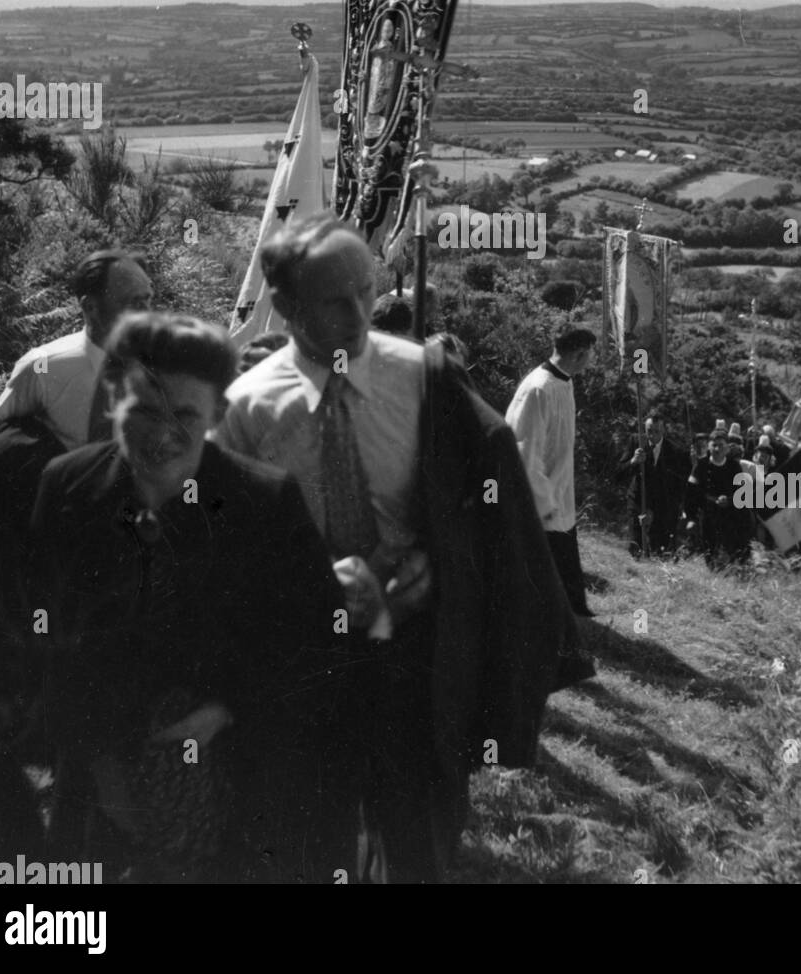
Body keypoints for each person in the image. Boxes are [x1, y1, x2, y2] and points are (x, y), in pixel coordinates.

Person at [213, 214, 590, 883]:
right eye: (335, 299)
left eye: (367, 290)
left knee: (419, 837)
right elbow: (225, 554)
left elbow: (493, 513)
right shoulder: (246, 411)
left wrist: (443, 571)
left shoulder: (428, 382)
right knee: (311, 837)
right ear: (287, 305)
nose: (361, 312)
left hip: (417, 658)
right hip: (305, 665)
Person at [27, 311, 346, 882]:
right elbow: (42, 626)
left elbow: (318, 639)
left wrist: (226, 709)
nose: (162, 432)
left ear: (219, 414)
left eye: (186, 415)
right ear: (109, 397)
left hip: (230, 783)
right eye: (144, 411)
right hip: (95, 777)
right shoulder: (66, 485)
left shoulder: (265, 504)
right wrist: (95, 752)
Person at [0, 249, 154, 452]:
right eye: (134, 303)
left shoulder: (171, 366)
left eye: (147, 299)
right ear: (90, 307)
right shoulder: (44, 366)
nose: (147, 313)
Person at [505, 326, 599, 615]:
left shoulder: (564, 382)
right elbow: (524, 448)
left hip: (558, 490)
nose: (591, 360)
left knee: (564, 561)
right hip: (539, 498)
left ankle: (573, 615)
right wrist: (542, 499)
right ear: (578, 354)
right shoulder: (538, 388)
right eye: (590, 353)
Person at [620, 410, 690, 557]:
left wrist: (655, 512)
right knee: (635, 548)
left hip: (662, 508)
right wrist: (633, 461)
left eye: (656, 431)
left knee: (660, 552)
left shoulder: (676, 452)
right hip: (637, 502)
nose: (652, 436)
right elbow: (618, 473)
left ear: (663, 430)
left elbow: (678, 489)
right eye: (649, 431)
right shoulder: (635, 442)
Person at [689, 423, 752, 568]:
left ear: (727, 448)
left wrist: (729, 500)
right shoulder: (701, 466)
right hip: (707, 515)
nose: (717, 449)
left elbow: (741, 494)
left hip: (730, 515)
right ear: (709, 447)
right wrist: (691, 517)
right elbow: (692, 493)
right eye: (714, 445)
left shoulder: (734, 467)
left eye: (721, 445)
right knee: (709, 556)